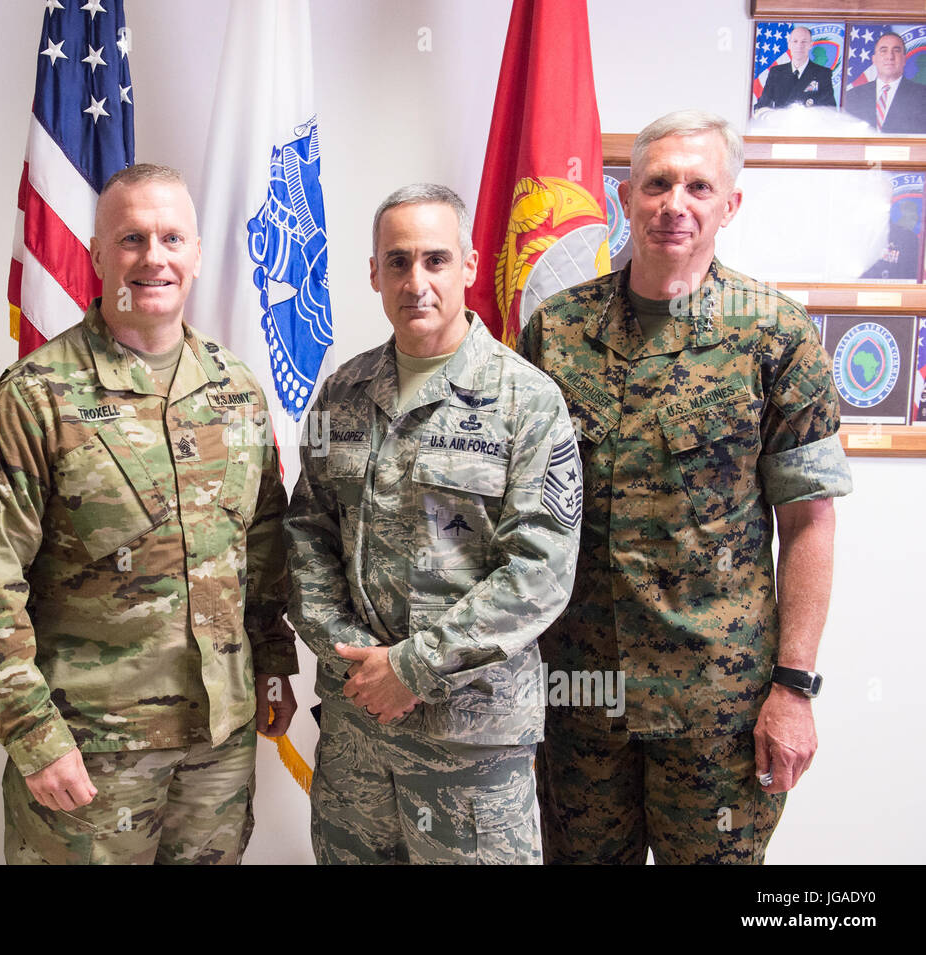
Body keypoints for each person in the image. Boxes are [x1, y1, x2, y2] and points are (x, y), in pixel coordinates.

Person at [517, 109, 853, 864]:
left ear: (729, 204)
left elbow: (809, 522)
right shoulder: (556, 332)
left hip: (717, 707)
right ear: (625, 195)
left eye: (699, 185)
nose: (676, 203)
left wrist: (794, 688)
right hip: (581, 699)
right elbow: (520, 514)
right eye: (658, 183)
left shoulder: (776, 336)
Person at [0, 163, 297, 865]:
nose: (153, 257)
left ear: (196, 252)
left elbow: (261, 546)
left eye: (171, 237)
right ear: (99, 253)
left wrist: (274, 664)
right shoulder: (38, 395)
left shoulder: (236, 391)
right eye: (132, 238)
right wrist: (32, 733)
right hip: (87, 749)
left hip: (217, 747)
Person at [283, 184, 581, 864]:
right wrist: (355, 660)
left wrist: (413, 667)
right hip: (357, 737)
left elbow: (539, 572)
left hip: (472, 749)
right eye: (397, 261)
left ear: (470, 266)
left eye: (436, 260)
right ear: (373, 274)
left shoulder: (527, 401)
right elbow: (306, 535)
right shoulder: (343, 394)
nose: (416, 282)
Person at [844, 32, 926, 133]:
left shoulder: (922, 96)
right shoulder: (853, 96)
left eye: (896, 51)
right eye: (883, 51)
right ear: (874, 59)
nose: (890, 56)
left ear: (904, 59)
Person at [755, 26, 836, 110]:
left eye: (804, 42)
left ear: (810, 45)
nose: (799, 46)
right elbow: (762, 105)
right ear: (789, 44)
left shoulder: (822, 74)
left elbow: (830, 108)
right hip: (780, 122)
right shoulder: (776, 72)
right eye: (795, 41)